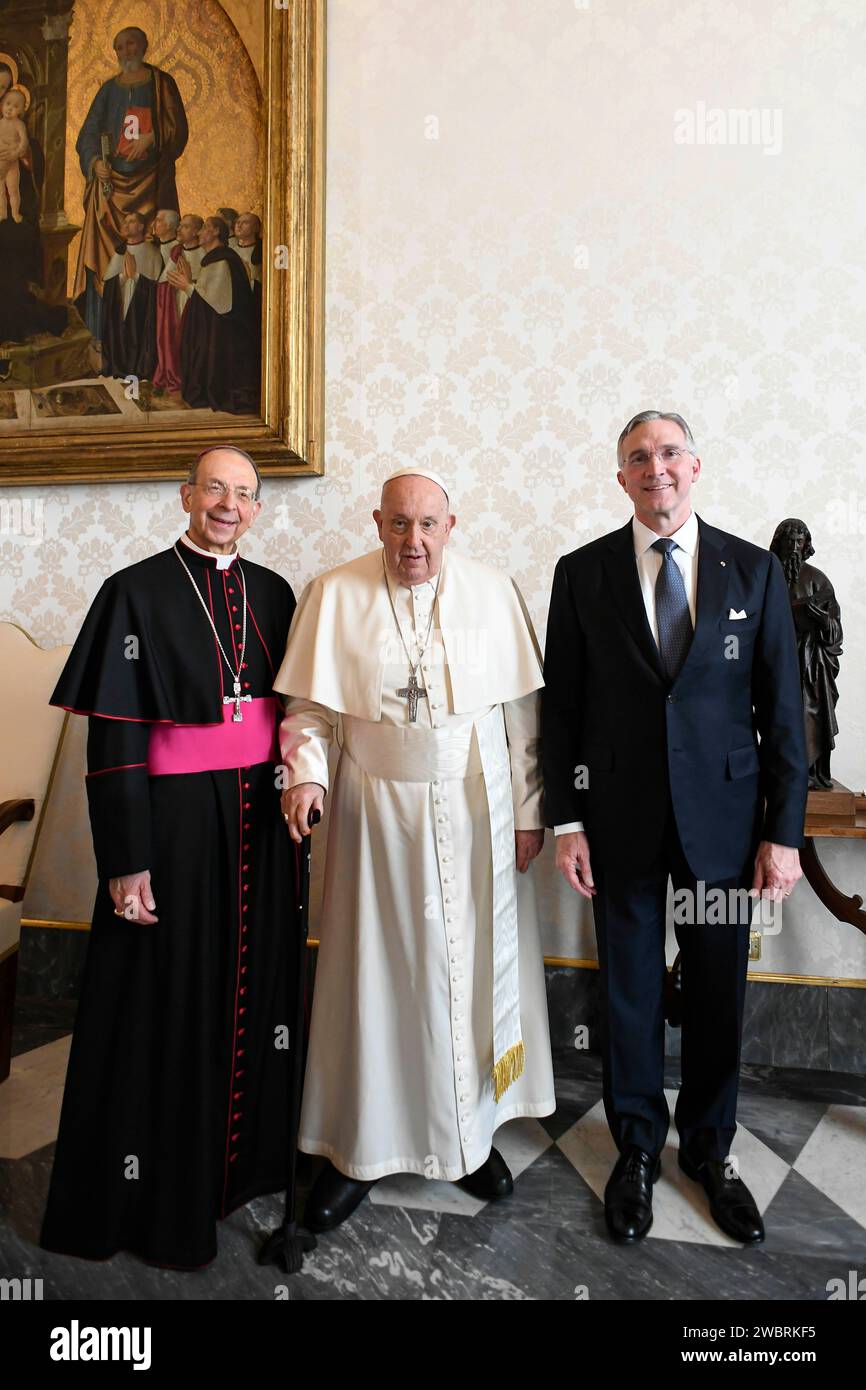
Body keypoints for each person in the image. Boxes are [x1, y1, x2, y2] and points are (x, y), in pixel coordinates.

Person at [542, 410, 807, 1246]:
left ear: (695, 468)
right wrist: (567, 819)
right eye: (636, 458)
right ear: (620, 477)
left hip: (727, 833)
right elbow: (564, 710)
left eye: (667, 454)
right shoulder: (581, 574)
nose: (654, 469)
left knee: (719, 987)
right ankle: (636, 1151)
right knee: (628, 988)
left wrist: (785, 833)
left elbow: (784, 713)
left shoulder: (754, 571)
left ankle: (711, 1152)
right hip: (616, 823)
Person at [273, 468, 555, 1231]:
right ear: (376, 523)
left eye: (428, 524)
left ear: (451, 525)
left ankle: (470, 1137)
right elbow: (307, 710)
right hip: (373, 816)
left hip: (477, 813)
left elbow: (525, 718)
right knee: (376, 974)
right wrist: (305, 777)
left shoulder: (493, 592)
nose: (414, 541)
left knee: (468, 973)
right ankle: (358, 1148)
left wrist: (531, 812)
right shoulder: (334, 593)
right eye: (399, 524)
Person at [41, 446, 299, 1268]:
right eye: (214, 489)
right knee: (166, 1001)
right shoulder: (135, 591)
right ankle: (151, 1200)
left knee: (253, 996)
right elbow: (113, 739)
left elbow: (294, 712)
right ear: (186, 496)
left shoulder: (275, 592)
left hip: (261, 819)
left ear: (258, 509)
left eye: (244, 494)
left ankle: (238, 1175)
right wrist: (125, 861)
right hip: (175, 828)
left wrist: (299, 780)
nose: (228, 504)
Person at [73, 26, 189, 345]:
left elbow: (177, 128)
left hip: (151, 183)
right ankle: (103, 336)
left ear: (144, 46)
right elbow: (87, 135)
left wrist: (153, 137)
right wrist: (96, 163)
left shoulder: (162, 84)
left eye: (131, 44)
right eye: (120, 47)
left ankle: (148, 342)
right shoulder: (108, 90)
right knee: (105, 262)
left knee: (150, 261)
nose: (127, 51)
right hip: (110, 191)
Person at [769, 519, 843, 789]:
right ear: (779, 542)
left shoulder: (818, 580)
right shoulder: (765, 573)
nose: (794, 547)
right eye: (789, 541)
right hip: (775, 659)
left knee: (810, 713)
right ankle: (777, 771)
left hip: (810, 663)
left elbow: (834, 628)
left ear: (806, 544)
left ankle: (810, 772)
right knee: (774, 714)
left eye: (799, 541)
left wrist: (822, 620)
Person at [169, 215, 259, 413]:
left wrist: (187, 286)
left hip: (227, 333)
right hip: (219, 327)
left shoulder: (222, 260)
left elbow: (218, 305)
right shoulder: (215, 258)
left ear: (217, 232)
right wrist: (189, 285)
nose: (200, 233)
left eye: (205, 228)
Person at [99, 211, 162, 381]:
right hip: (121, 302)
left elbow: (156, 285)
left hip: (141, 305)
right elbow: (109, 283)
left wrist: (136, 277)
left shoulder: (152, 252)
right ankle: (118, 364)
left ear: (141, 227)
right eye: (125, 222)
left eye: (131, 222)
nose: (126, 225)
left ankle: (137, 367)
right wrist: (122, 277)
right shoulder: (120, 252)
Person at [0, 86, 29, 223]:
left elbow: (24, 143)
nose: (10, 109)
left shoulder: (19, 125)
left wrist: (15, 152)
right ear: (2, 105)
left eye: (16, 106)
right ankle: (2, 213)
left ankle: (15, 213)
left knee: (13, 190)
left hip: (12, 163)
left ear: (22, 110)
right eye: (7, 104)